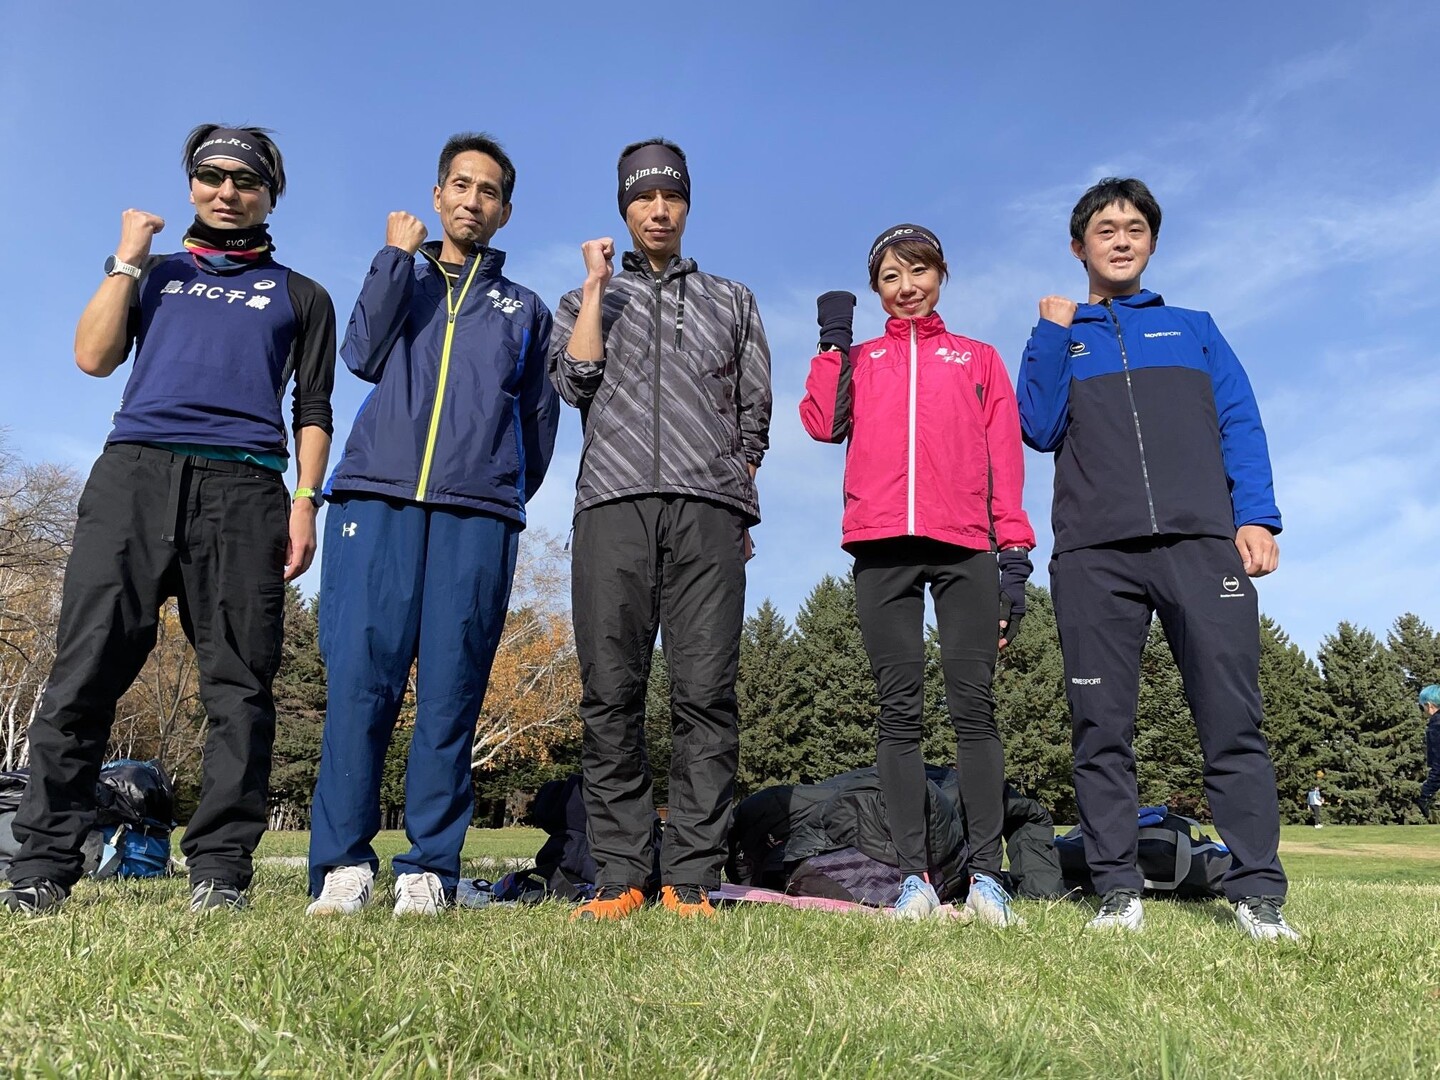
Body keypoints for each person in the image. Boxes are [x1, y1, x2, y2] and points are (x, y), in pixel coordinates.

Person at [1, 124, 336, 915]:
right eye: (211, 176)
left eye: (244, 180)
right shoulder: (151, 273)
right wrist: (127, 256)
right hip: (134, 476)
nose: (227, 191)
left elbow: (313, 407)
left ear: (269, 193)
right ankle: (42, 867)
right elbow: (92, 357)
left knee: (240, 688)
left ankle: (219, 872)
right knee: (83, 673)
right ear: (192, 183)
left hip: (244, 488)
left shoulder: (301, 294)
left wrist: (304, 502)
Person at [1017, 177, 1301, 942]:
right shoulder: (1058, 337)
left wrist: (1258, 519)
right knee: (1099, 725)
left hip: (1201, 543)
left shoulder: (1195, 328)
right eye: (1104, 228)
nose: (1120, 238)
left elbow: (1241, 421)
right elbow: (1036, 428)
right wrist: (1050, 333)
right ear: (1079, 247)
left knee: (1233, 722)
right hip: (1093, 555)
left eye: (1134, 227)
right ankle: (1115, 888)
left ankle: (1257, 893)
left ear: (1150, 243)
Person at [306, 132, 557, 917]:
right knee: (359, 687)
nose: (472, 200)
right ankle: (343, 866)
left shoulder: (527, 310)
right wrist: (392, 260)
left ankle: (429, 869)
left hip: (474, 517)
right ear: (439, 194)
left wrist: (493, 486)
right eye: (460, 185)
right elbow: (360, 356)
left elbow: (539, 425)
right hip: (375, 501)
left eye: (488, 191)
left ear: (505, 209)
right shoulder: (404, 280)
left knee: (452, 692)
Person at [548, 138, 772, 919]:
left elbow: (754, 417)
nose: (658, 209)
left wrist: (735, 499)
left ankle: (692, 876)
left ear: (686, 204)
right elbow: (573, 381)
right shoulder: (586, 299)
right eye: (644, 197)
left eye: (671, 196)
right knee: (611, 693)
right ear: (624, 207)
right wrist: (595, 283)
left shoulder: (733, 299)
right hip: (611, 504)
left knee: (706, 694)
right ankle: (619, 874)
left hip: (706, 511)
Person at [799, 224, 1035, 924]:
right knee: (898, 714)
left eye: (919, 271)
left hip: (965, 548)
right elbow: (819, 422)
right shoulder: (862, 358)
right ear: (876, 289)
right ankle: (914, 880)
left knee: (974, 711)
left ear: (941, 274)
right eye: (892, 276)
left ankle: (988, 878)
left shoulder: (978, 360)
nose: (907, 286)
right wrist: (833, 345)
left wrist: (1013, 554)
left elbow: (1005, 463)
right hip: (880, 548)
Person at [1419, 685, 1440, 821]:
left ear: (1429, 706)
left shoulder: (1436, 727)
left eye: (1422, 707)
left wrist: (1425, 793)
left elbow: (1439, 763)